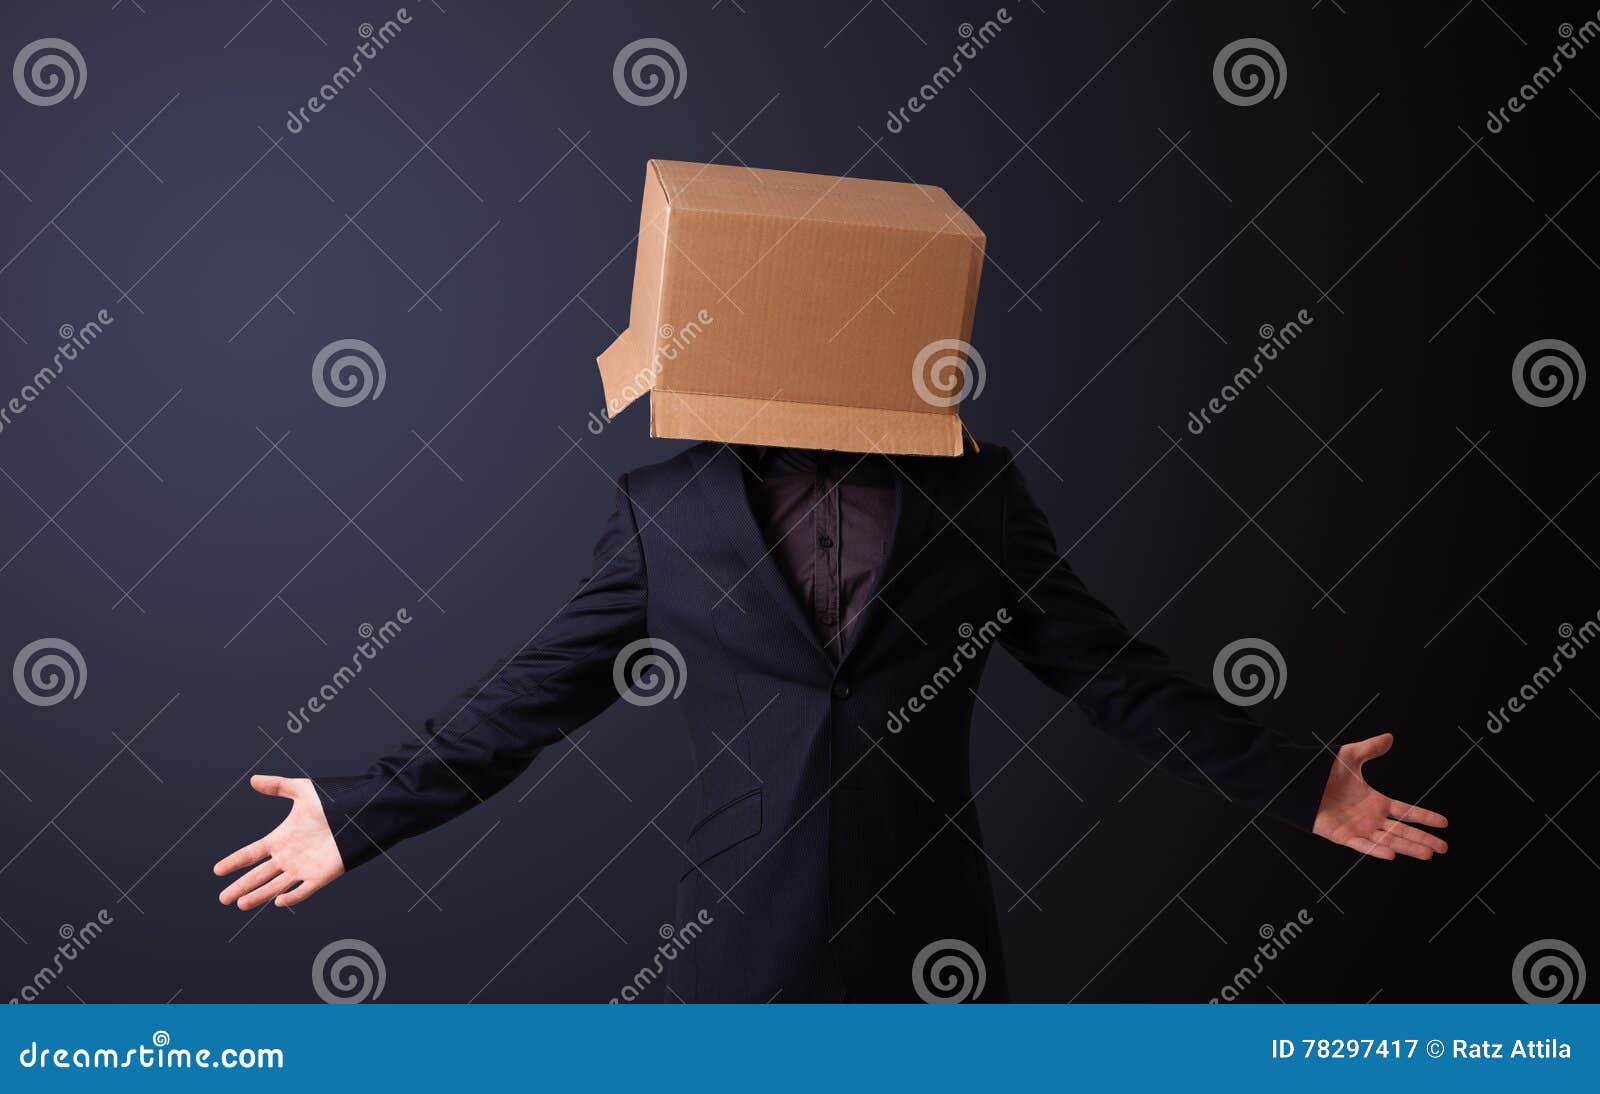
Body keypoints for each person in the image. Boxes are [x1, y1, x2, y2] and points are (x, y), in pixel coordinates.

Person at [214, 442, 1448, 1001]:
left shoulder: (978, 492)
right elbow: (535, 692)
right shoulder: (667, 505)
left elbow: (1107, 671)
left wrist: (1298, 779)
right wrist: (363, 806)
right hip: (746, 927)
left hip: (933, 926)